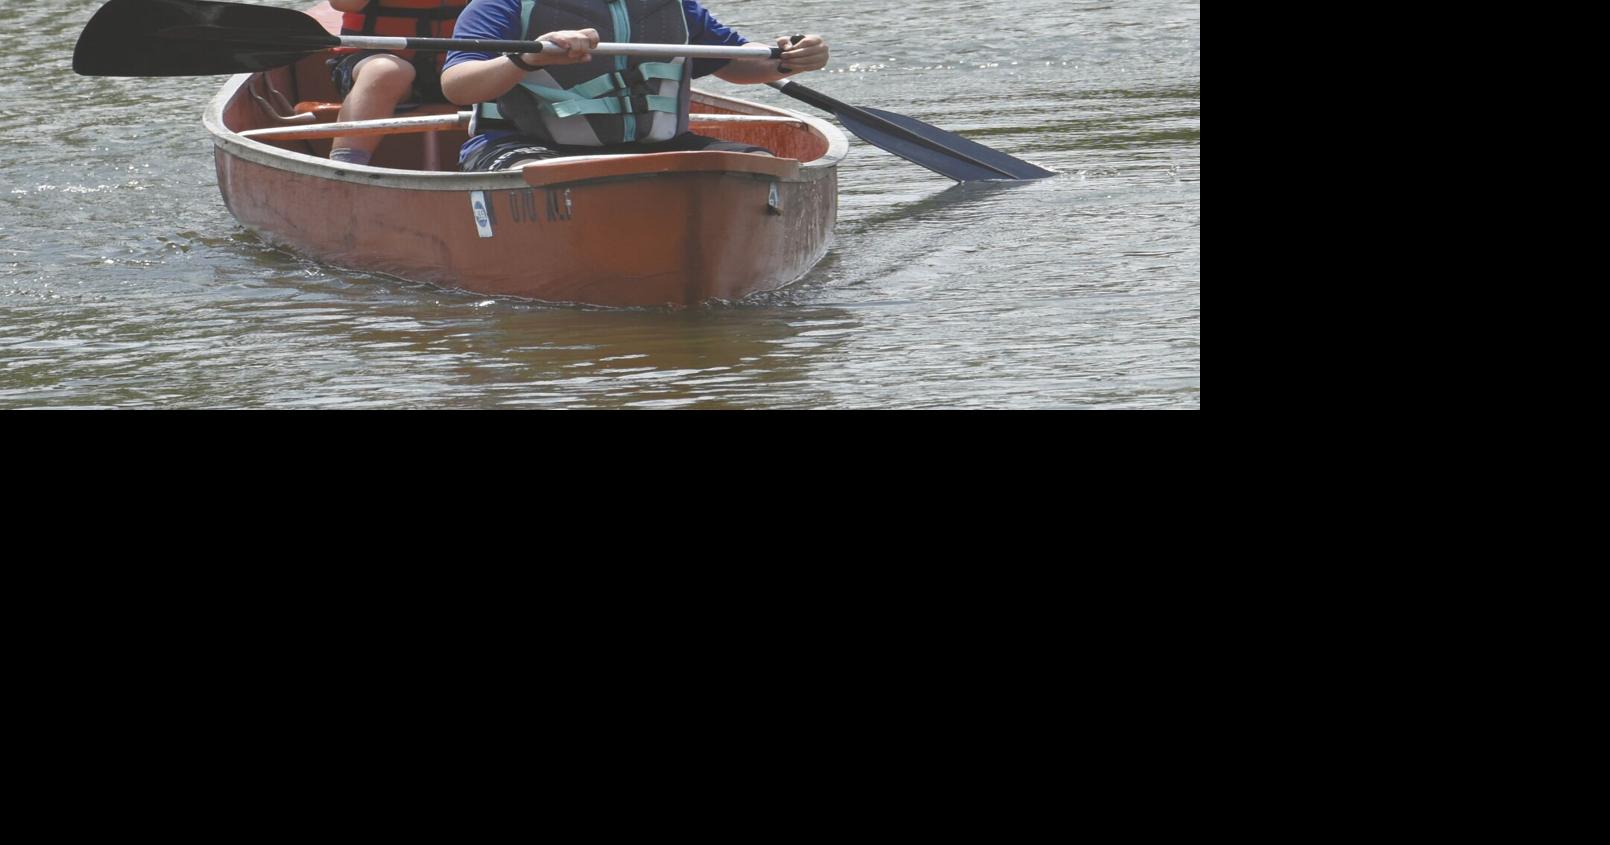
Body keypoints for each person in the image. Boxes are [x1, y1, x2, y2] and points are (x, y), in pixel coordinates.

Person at [440, 0, 829, 171]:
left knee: (753, 168)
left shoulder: (675, 6)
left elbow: (737, 64)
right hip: (523, 145)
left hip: (656, 146)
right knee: (546, 176)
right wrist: (526, 59)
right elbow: (458, 87)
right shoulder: (502, 4)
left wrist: (791, 59)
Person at [326, 0, 471, 165]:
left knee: (497, 64)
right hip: (372, 60)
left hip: (458, 66)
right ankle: (345, 167)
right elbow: (345, 4)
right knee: (387, 71)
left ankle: (499, 164)